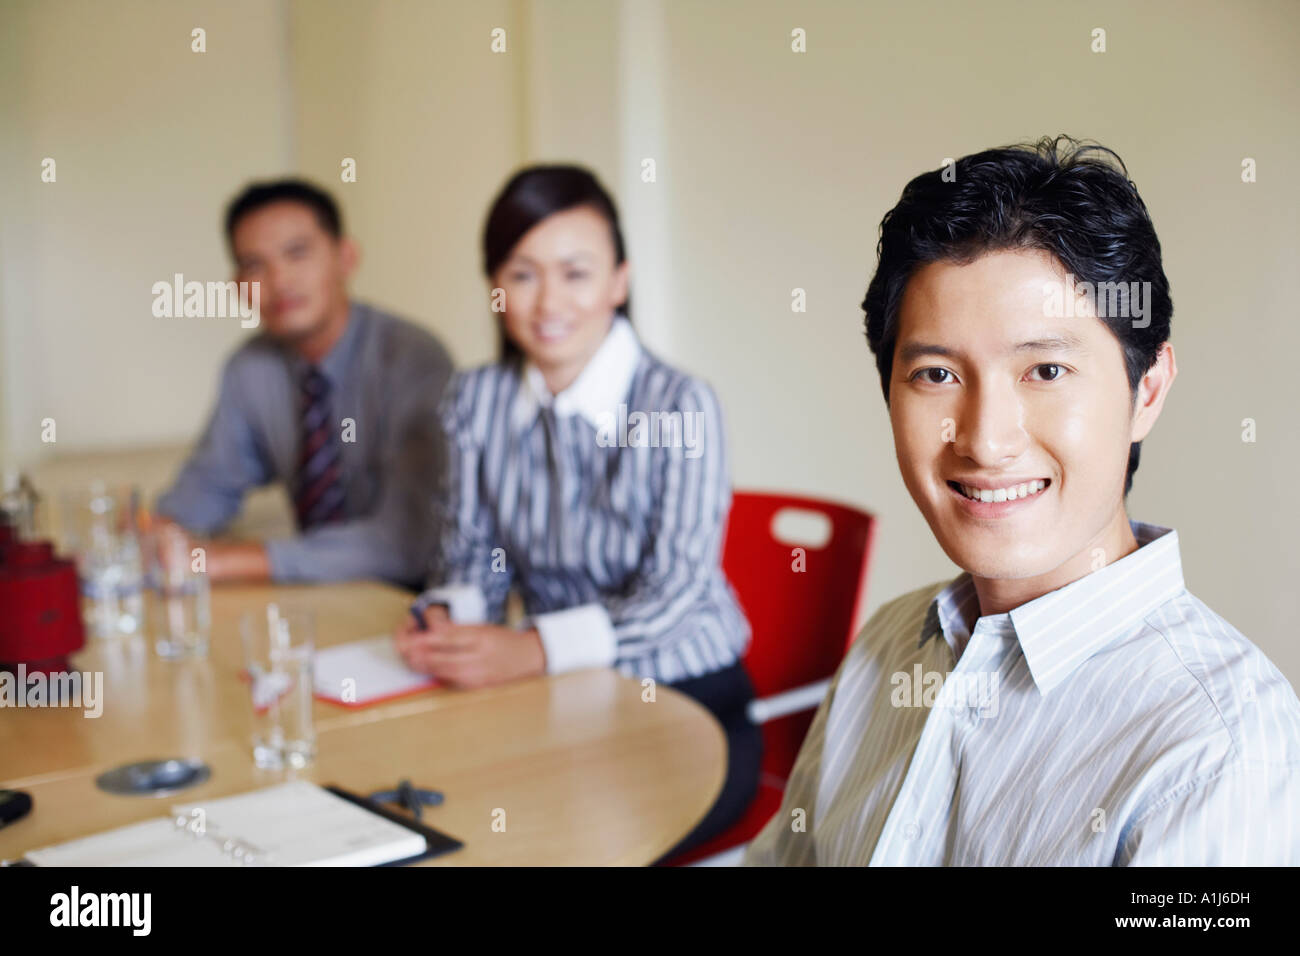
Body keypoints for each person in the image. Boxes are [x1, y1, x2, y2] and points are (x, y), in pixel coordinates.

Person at [745, 136, 1300, 866]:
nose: (985, 440)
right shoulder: (887, 646)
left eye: (1045, 369)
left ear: (1147, 391)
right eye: (937, 375)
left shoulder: (1221, 747)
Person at [392, 165, 761, 861]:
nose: (548, 301)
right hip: (553, 697)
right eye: (523, 274)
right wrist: (448, 620)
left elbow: (674, 595)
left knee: (561, 836)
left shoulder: (679, 403)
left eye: (576, 272)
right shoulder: (475, 399)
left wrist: (533, 647)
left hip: (686, 696)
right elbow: (471, 553)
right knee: (440, 810)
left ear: (619, 281)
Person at [154, 179, 453, 589]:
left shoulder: (412, 358)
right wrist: (157, 530)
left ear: (345, 258)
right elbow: (211, 484)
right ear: (239, 286)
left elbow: (408, 543)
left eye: (297, 253)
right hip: (318, 596)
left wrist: (223, 561)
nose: (279, 281)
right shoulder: (250, 368)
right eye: (255, 265)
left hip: (417, 602)